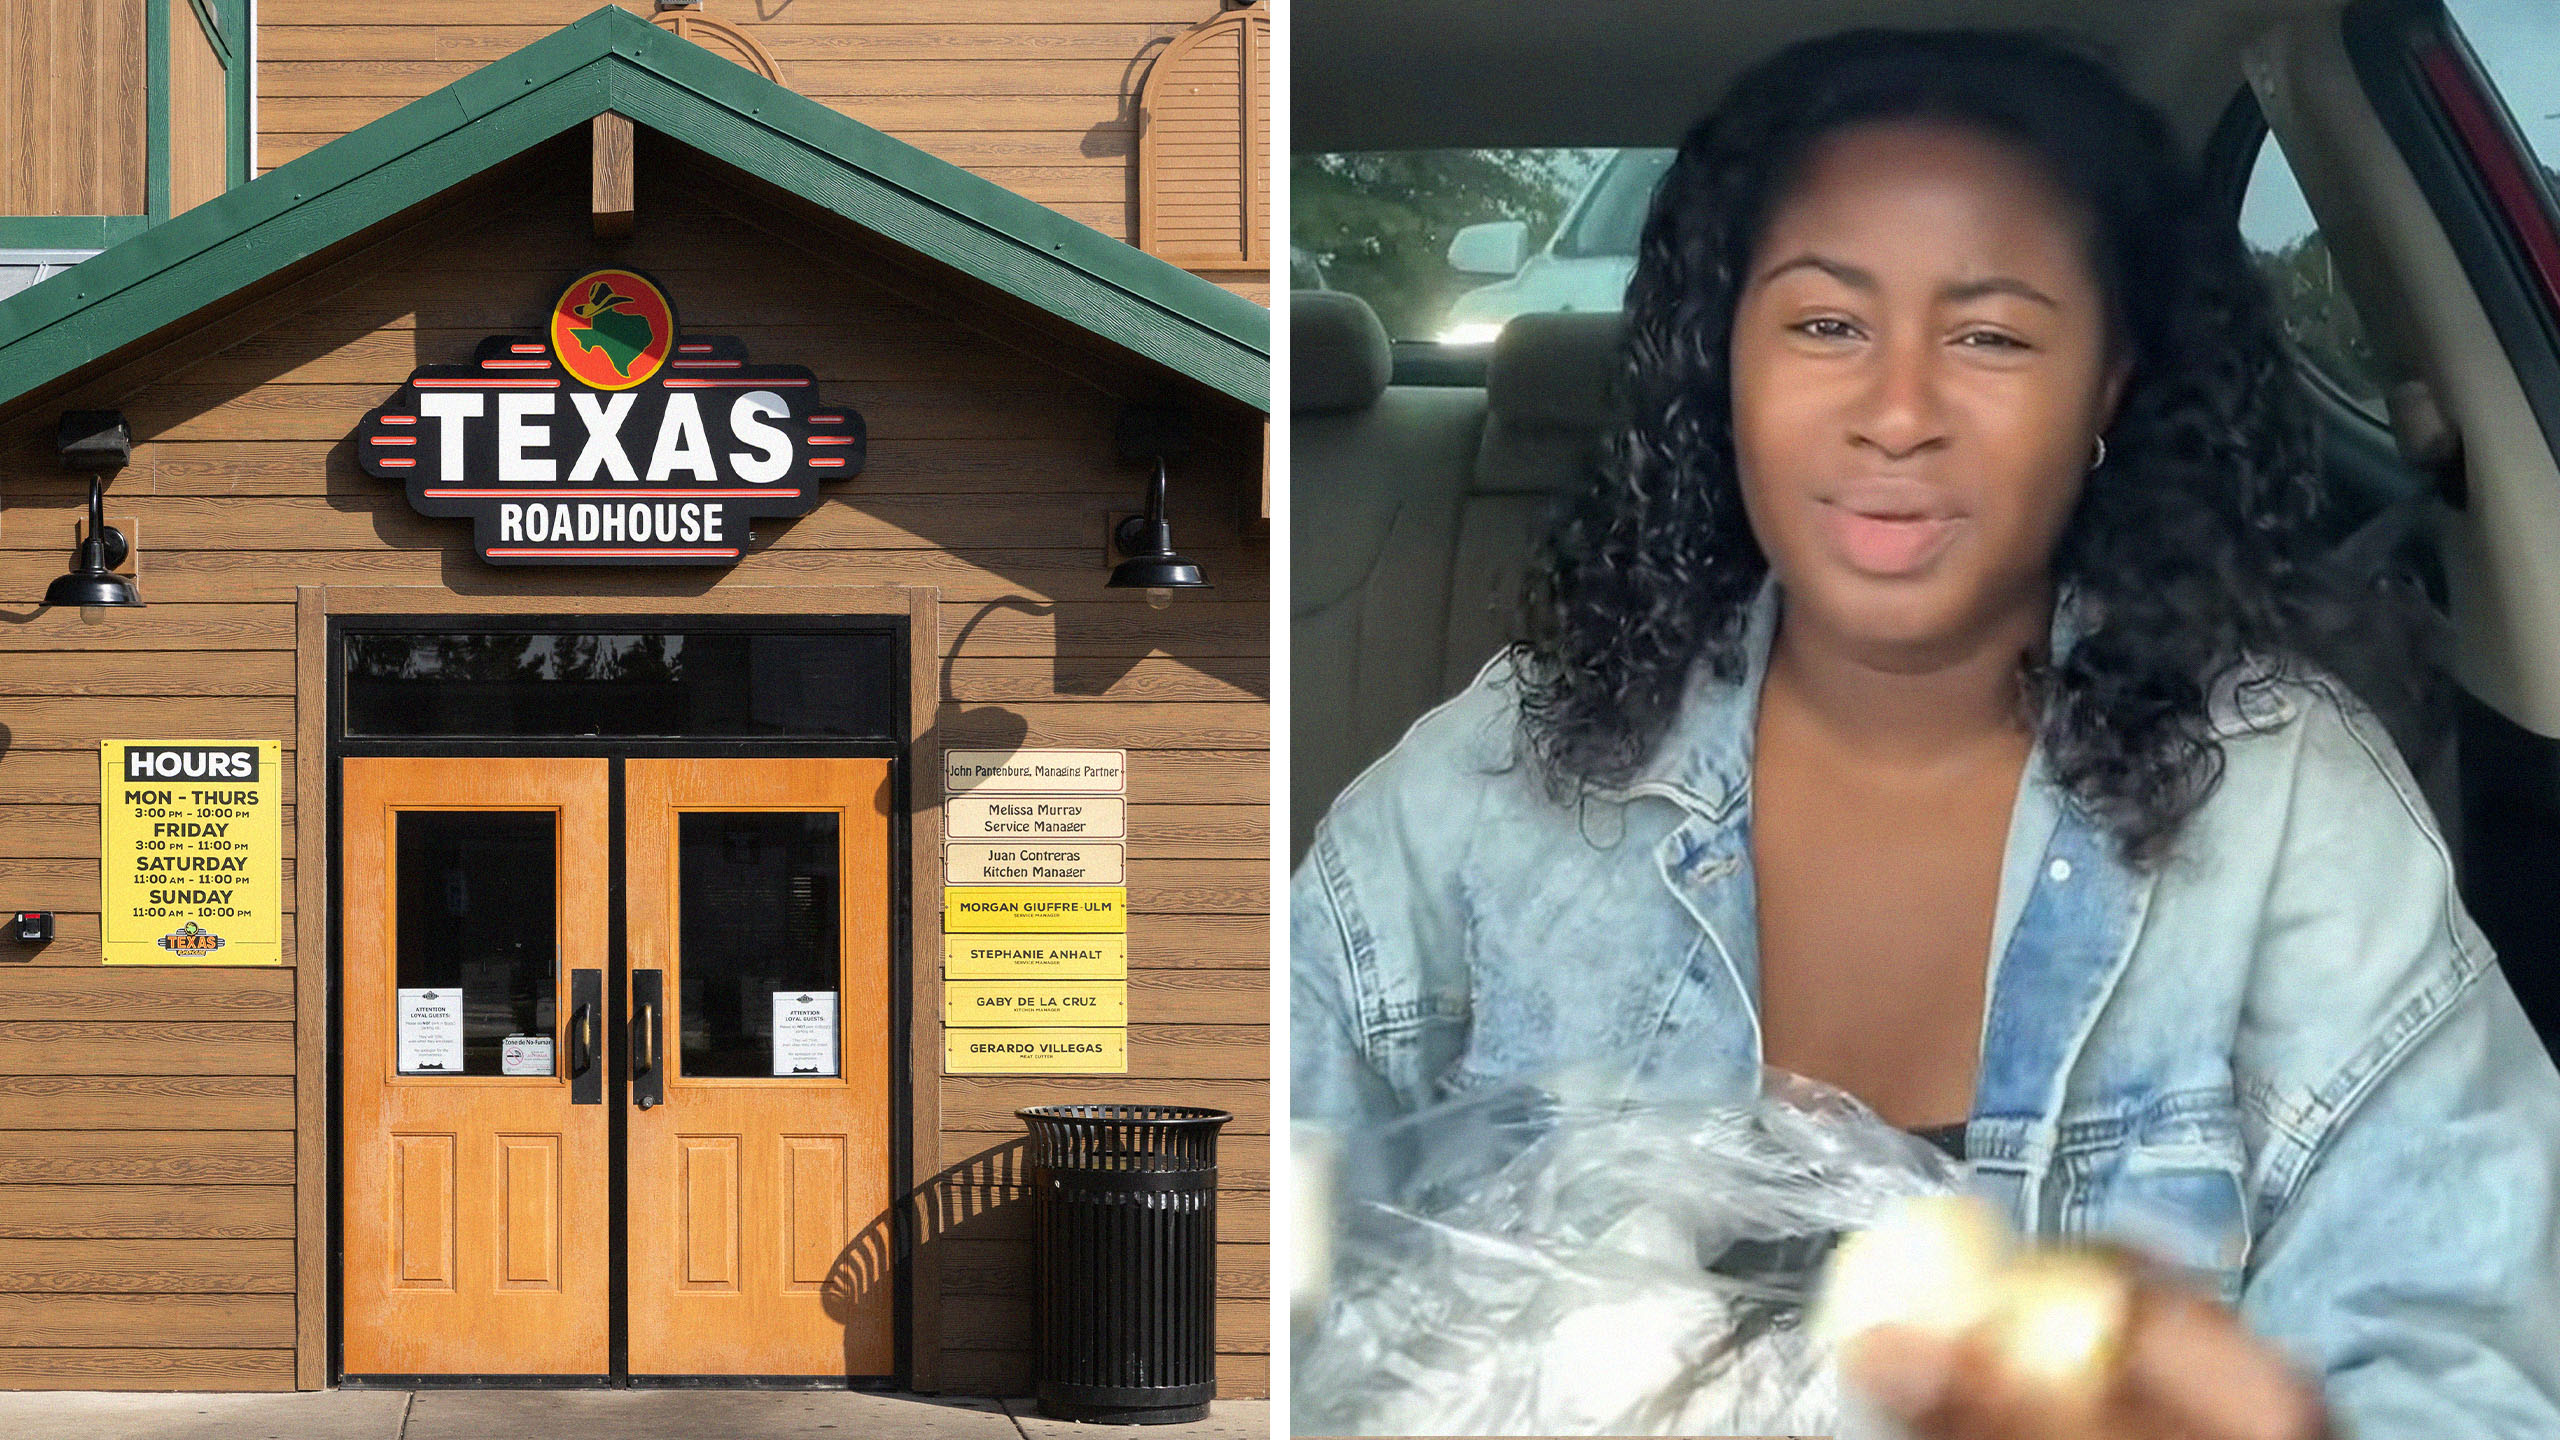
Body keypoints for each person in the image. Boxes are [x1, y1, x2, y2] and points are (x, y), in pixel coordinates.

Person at [1291, 28, 2560, 1438]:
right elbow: (1224, 1263)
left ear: (2110, 391)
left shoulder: (2285, 811)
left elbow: (2468, 1358)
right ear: (1727, 363)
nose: (1898, 412)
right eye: (1827, 324)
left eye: (1992, 336)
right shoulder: (1489, 786)